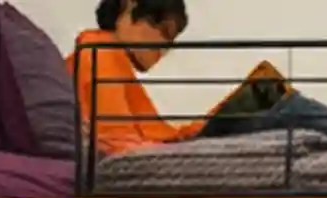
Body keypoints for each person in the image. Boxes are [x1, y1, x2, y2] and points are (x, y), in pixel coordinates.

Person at [68, 0, 289, 154]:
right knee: (292, 109)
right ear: (129, 8)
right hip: (158, 151)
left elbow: (152, 136)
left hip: (173, 144)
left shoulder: (107, 57)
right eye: (165, 31)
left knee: (280, 105)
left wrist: (207, 123)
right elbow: (118, 141)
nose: (165, 47)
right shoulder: (98, 52)